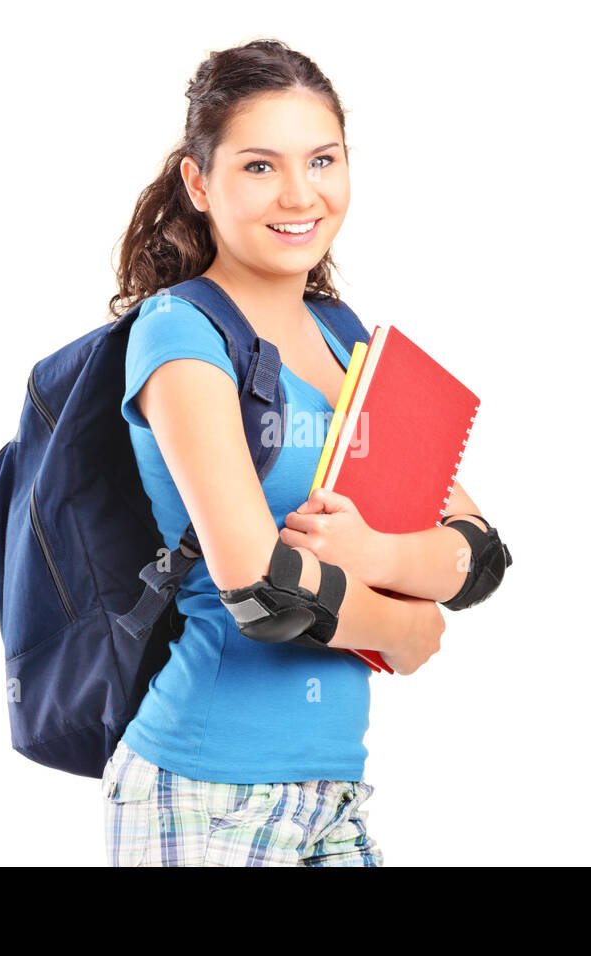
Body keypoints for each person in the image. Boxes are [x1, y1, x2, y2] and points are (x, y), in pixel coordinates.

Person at [101, 39, 503, 867]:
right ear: (197, 181)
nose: (298, 194)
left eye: (322, 160)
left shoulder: (346, 335)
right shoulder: (182, 336)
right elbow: (264, 590)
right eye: (258, 166)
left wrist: (380, 553)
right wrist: (404, 624)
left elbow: (482, 551)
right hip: (204, 792)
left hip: (333, 794)